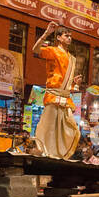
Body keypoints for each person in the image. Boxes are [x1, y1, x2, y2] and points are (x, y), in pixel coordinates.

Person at [31, 22, 83, 159]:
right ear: (59, 37)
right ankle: (46, 154)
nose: (69, 38)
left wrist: (74, 85)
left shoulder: (72, 58)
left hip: (65, 99)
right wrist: (46, 33)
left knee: (71, 130)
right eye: (66, 36)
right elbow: (35, 50)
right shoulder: (53, 51)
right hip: (53, 97)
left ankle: (58, 156)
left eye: (70, 36)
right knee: (48, 130)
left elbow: (64, 84)